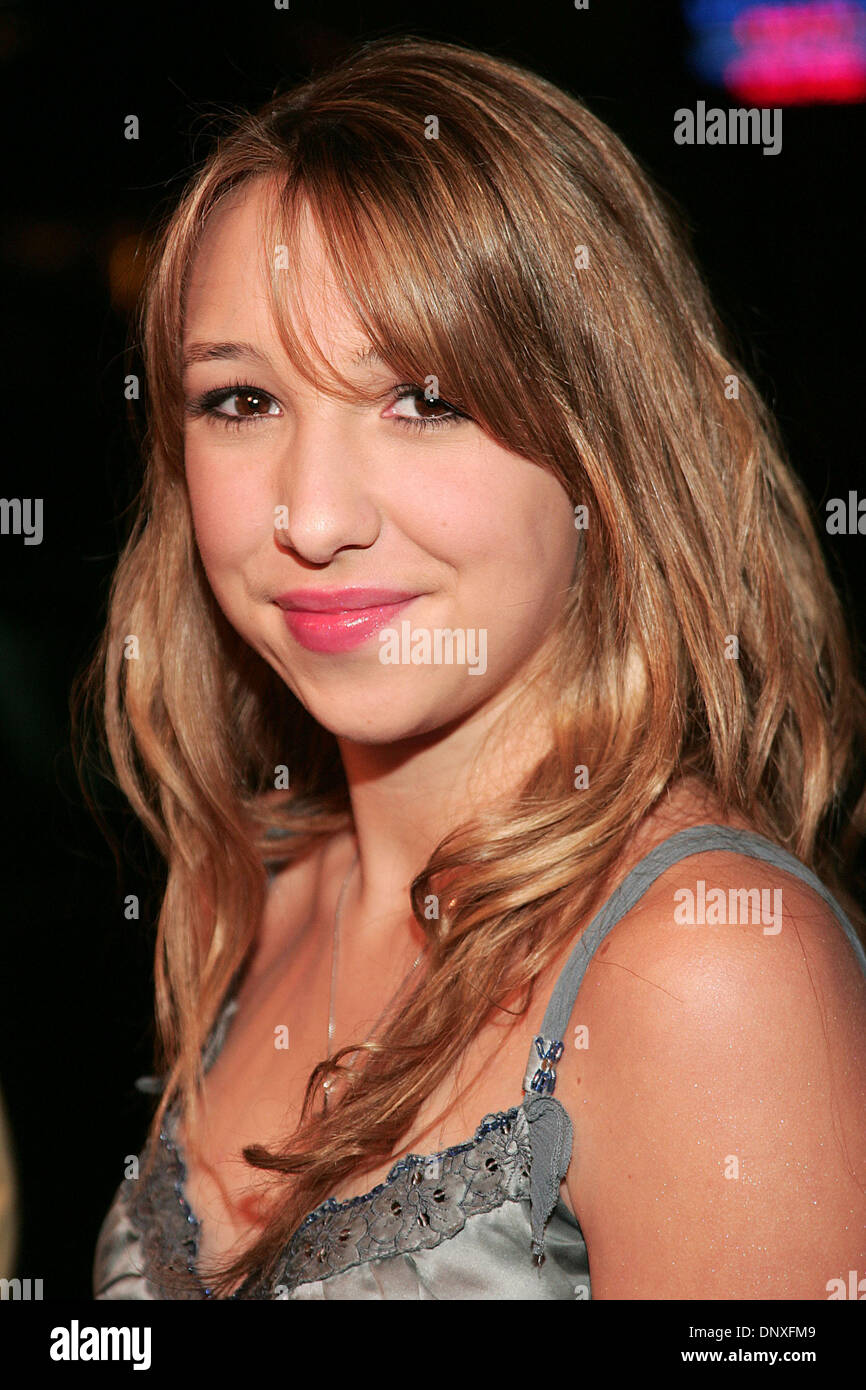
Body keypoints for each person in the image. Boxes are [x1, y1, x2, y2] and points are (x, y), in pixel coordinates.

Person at [86, 35, 866, 1300]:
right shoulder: (261, 892)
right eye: (241, 401)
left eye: (423, 398)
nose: (315, 515)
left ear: (602, 450)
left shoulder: (709, 969)